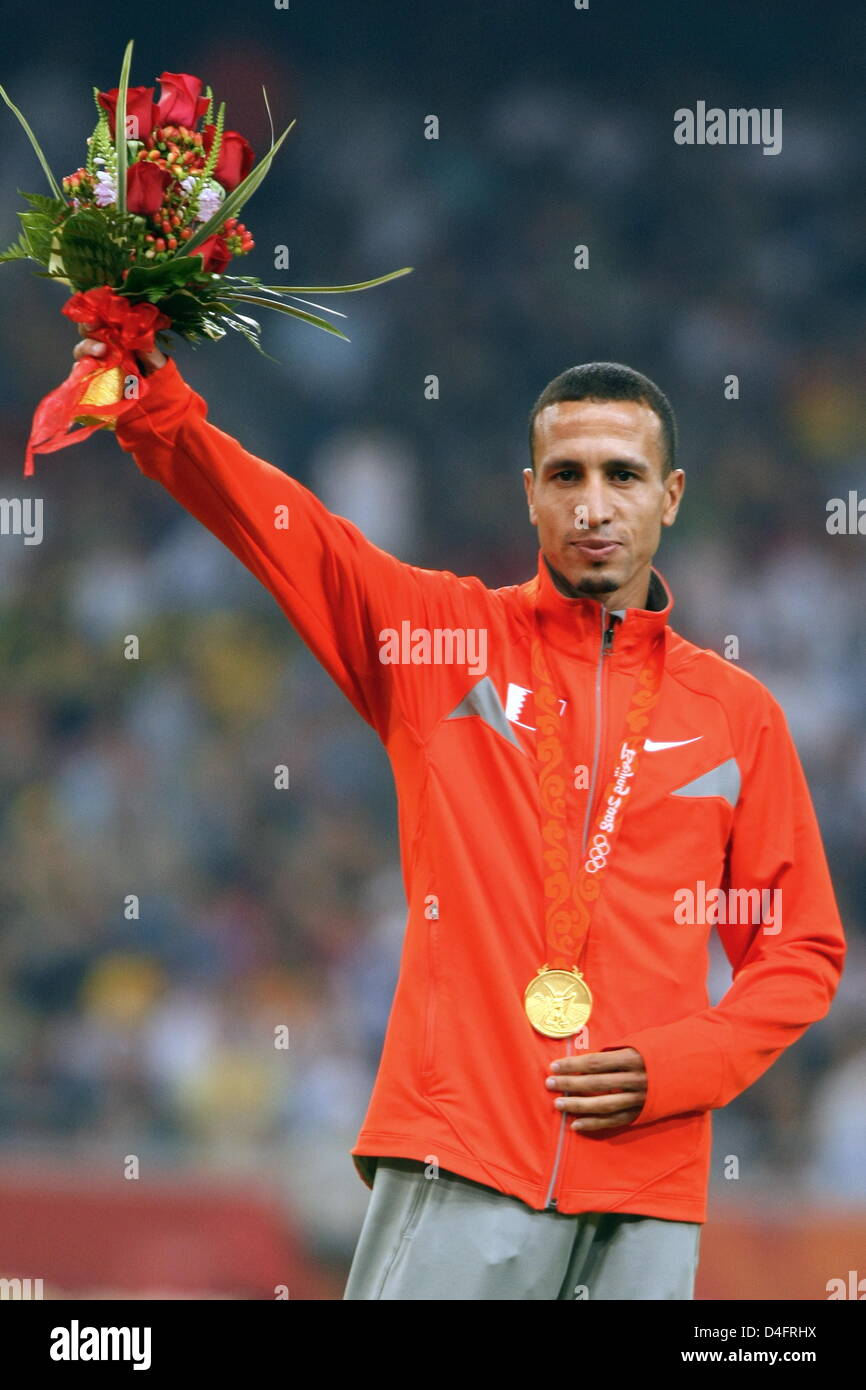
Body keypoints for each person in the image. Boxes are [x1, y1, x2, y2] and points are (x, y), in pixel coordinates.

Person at [72, 329, 847, 1300]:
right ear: (529, 493)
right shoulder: (438, 638)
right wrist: (144, 395)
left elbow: (798, 949)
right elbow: (281, 529)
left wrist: (683, 1064)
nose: (593, 505)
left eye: (622, 474)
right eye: (564, 475)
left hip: (648, 1188)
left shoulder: (736, 714)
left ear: (670, 494)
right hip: (463, 1158)